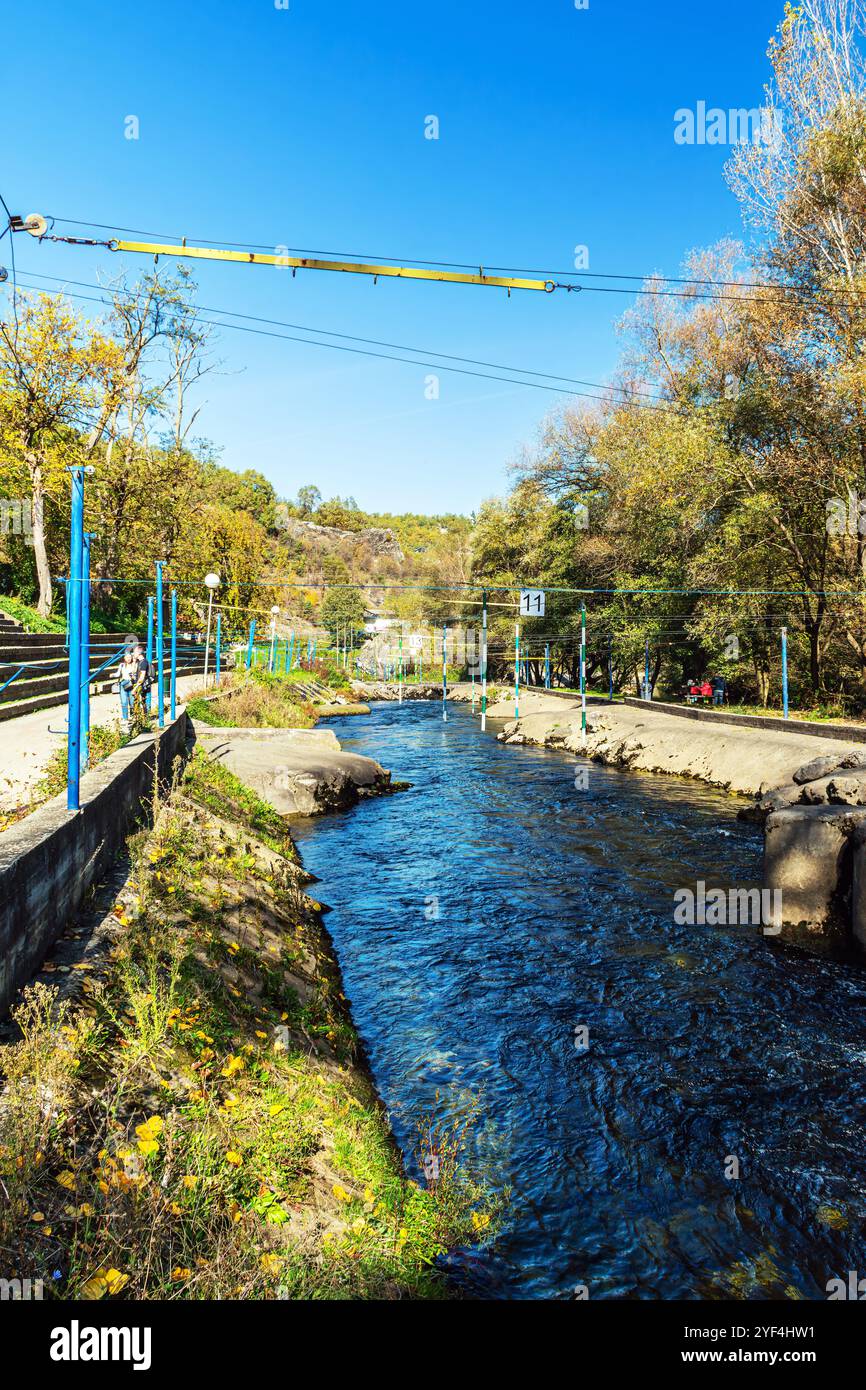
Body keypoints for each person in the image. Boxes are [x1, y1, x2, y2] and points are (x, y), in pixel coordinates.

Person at [117, 646, 138, 730]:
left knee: (132, 702)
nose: (128, 659)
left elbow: (135, 673)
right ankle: (125, 718)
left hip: (131, 684)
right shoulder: (122, 665)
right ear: (124, 658)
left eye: (130, 657)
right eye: (127, 657)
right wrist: (113, 675)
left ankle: (133, 717)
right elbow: (118, 674)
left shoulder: (134, 665)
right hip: (123, 683)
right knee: (124, 701)